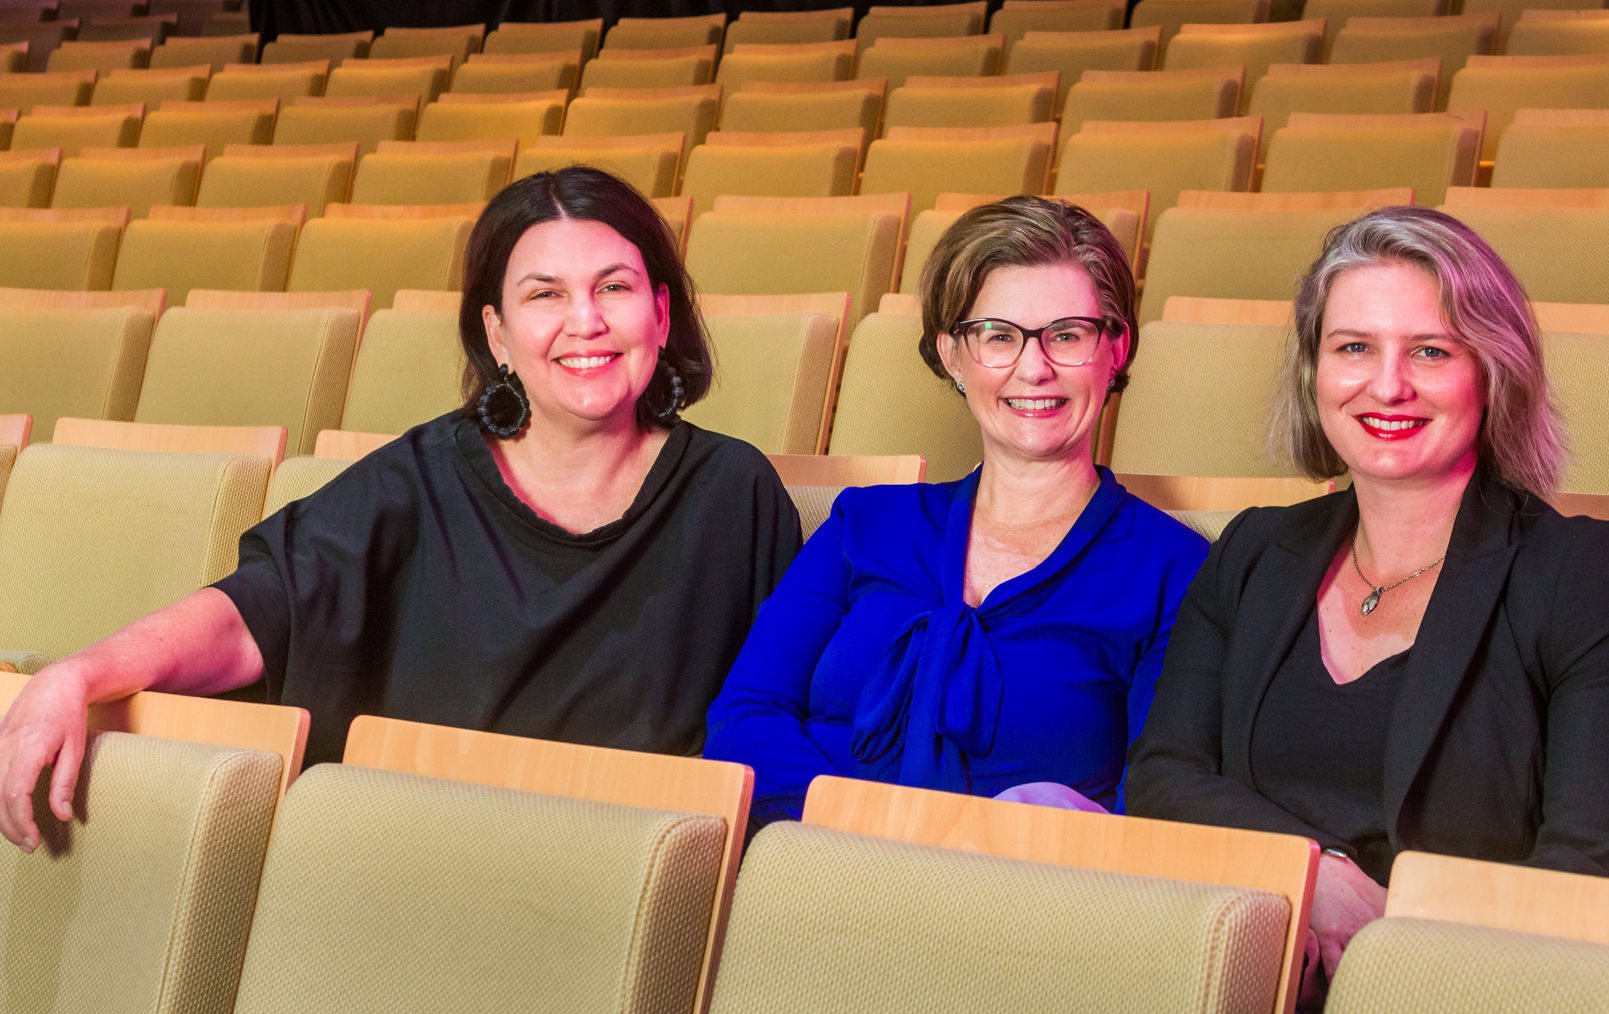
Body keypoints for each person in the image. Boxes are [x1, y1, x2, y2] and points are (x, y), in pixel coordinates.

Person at [0, 166, 802, 851]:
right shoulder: (416, 480)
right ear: (497, 334)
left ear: (661, 313)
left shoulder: (735, 493)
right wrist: (77, 674)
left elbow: (776, 725)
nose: (584, 321)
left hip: (634, 878)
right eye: (544, 295)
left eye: (614, 288)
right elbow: (257, 616)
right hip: (414, 864)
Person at [1126, 207, 1609, 1014]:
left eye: (1430, 350)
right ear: (1316, 372)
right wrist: (1316, 874)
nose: (1387, 385)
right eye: (1354, 348)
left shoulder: (1581, 577)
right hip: (1237, 985)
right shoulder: (1254, 553)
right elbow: (1165, 775)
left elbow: (1591, 879)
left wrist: (1386, 950)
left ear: (1492, 373)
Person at [706, 196, 1208, 827]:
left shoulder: (1177, 571)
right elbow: (744, 718)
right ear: (952, 355)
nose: (1035, 368)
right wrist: (866, 831)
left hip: (1015, 898)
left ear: (1116, 351)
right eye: (999, 336)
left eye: (1068, 336)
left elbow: (1156, 800)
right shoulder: (862, 524)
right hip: (811, 867)